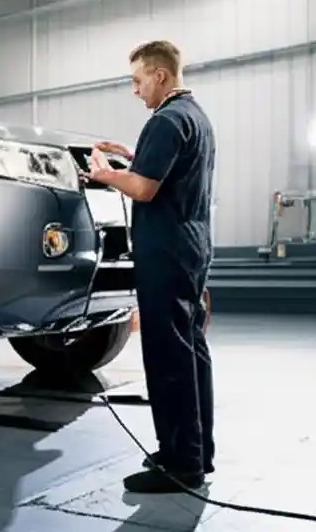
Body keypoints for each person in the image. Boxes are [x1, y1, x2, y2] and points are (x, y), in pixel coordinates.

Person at [84, 40, 216, 494]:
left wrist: (105, 174)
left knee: (167, 355)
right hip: (192, 246)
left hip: (165, 250)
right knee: (191, 349)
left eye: (138, 81)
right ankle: (199, 451)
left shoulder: (165, 121)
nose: (136, 91)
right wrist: (128, 153)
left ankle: (182, 465)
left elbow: (142, 188)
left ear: (160, 75)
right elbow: (164, 173)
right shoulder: (194, 117)